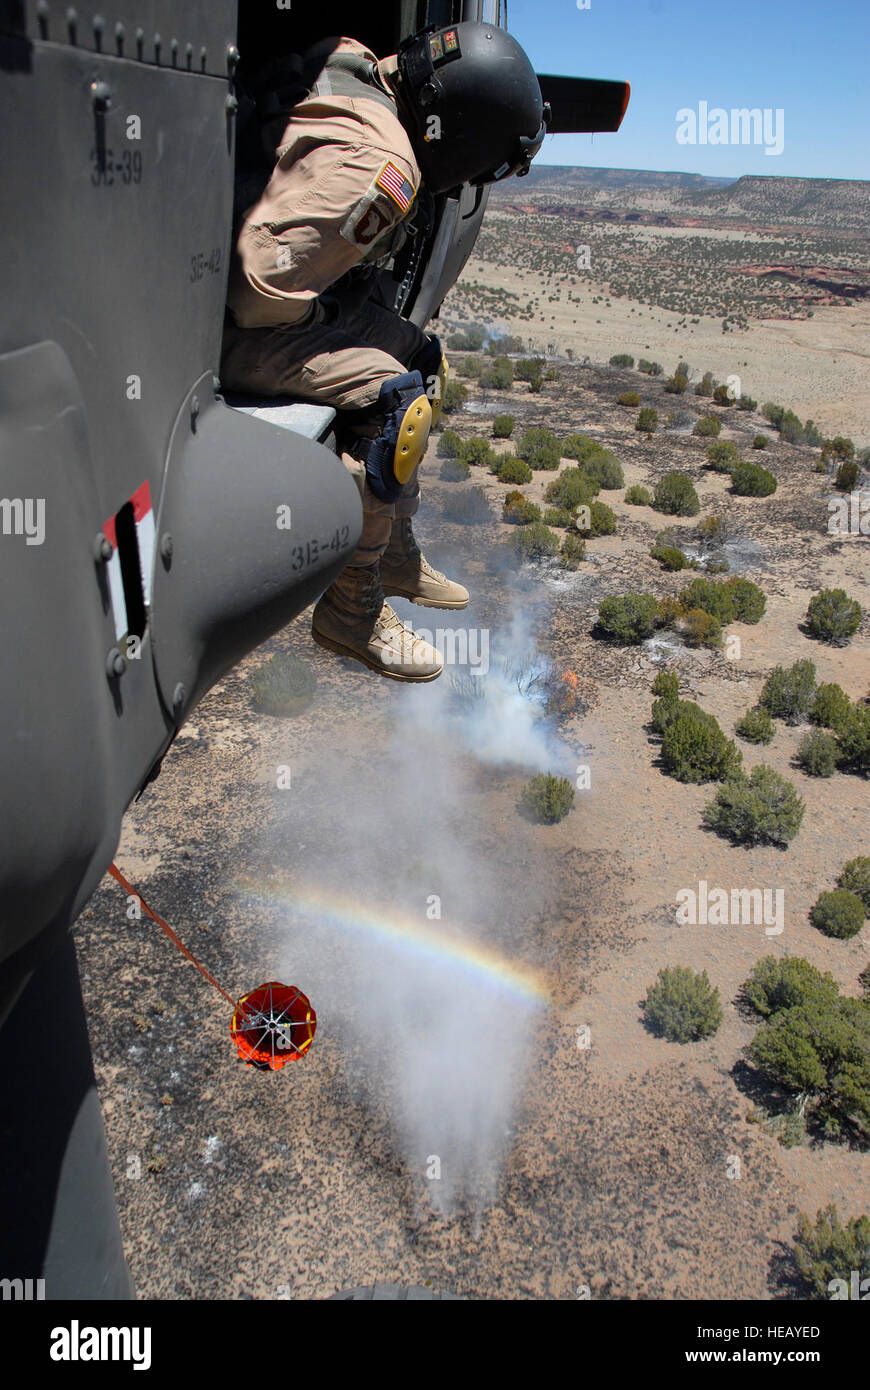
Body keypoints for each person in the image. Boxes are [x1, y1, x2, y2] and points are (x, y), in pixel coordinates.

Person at [221, 21, 548, 681]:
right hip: (223, 325)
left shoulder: (354, 64)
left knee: (422, 359)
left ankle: (393, 548)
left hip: (241, 299)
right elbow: (254, 292)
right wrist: (334, 312)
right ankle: (352, 604)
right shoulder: (386, 167)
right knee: (395, 401)